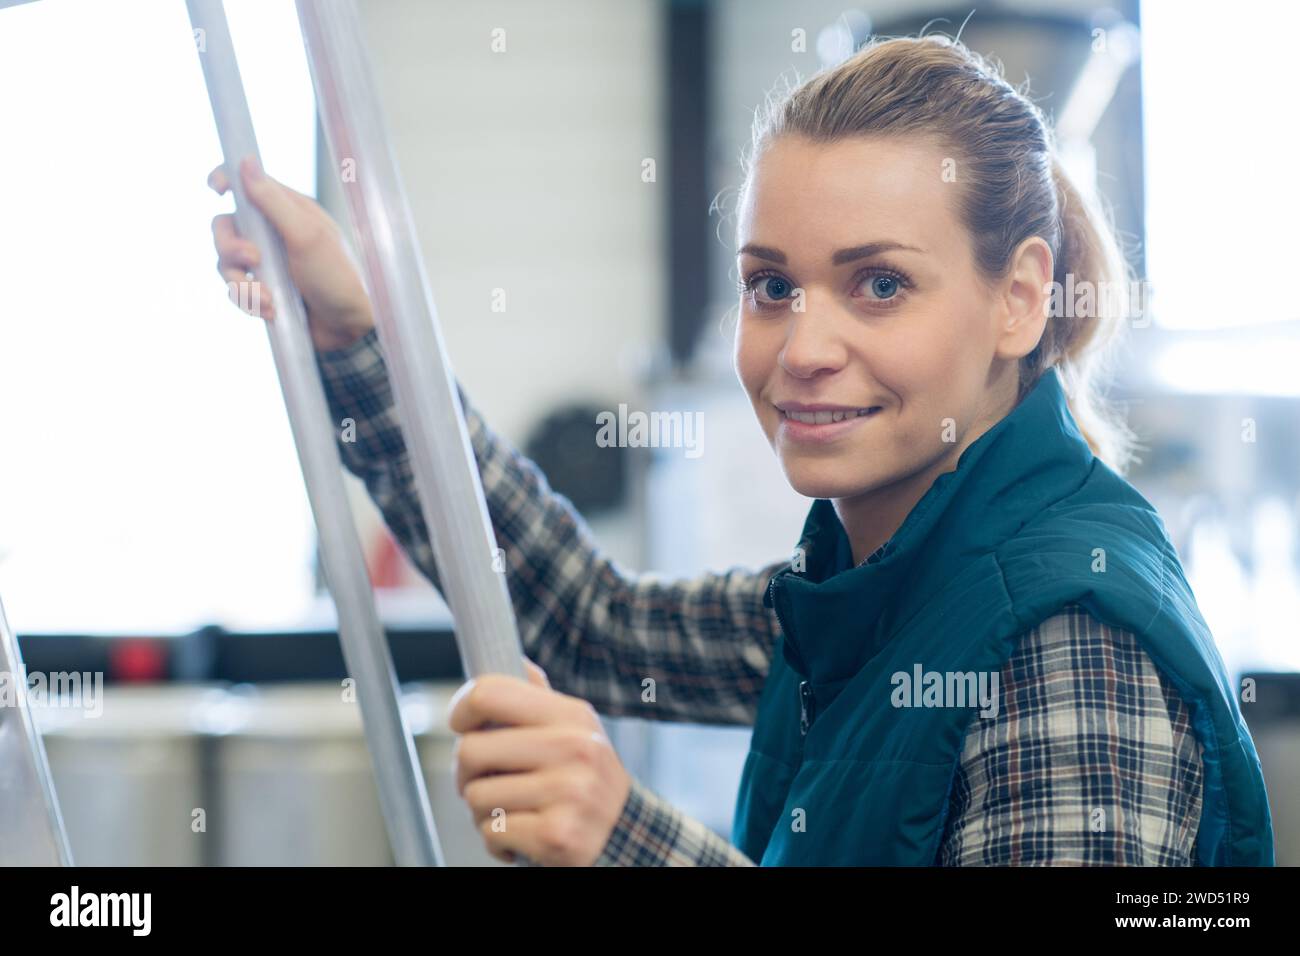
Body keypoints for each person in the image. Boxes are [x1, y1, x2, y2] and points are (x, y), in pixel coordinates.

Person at [207, 35, 1273, 866]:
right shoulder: (871, 591)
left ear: (1020, 297)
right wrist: (360, 335)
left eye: (880, 284)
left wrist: (623, 836)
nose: (803, 349)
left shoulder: (1067, 639)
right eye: (772, 286)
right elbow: (595, 623)